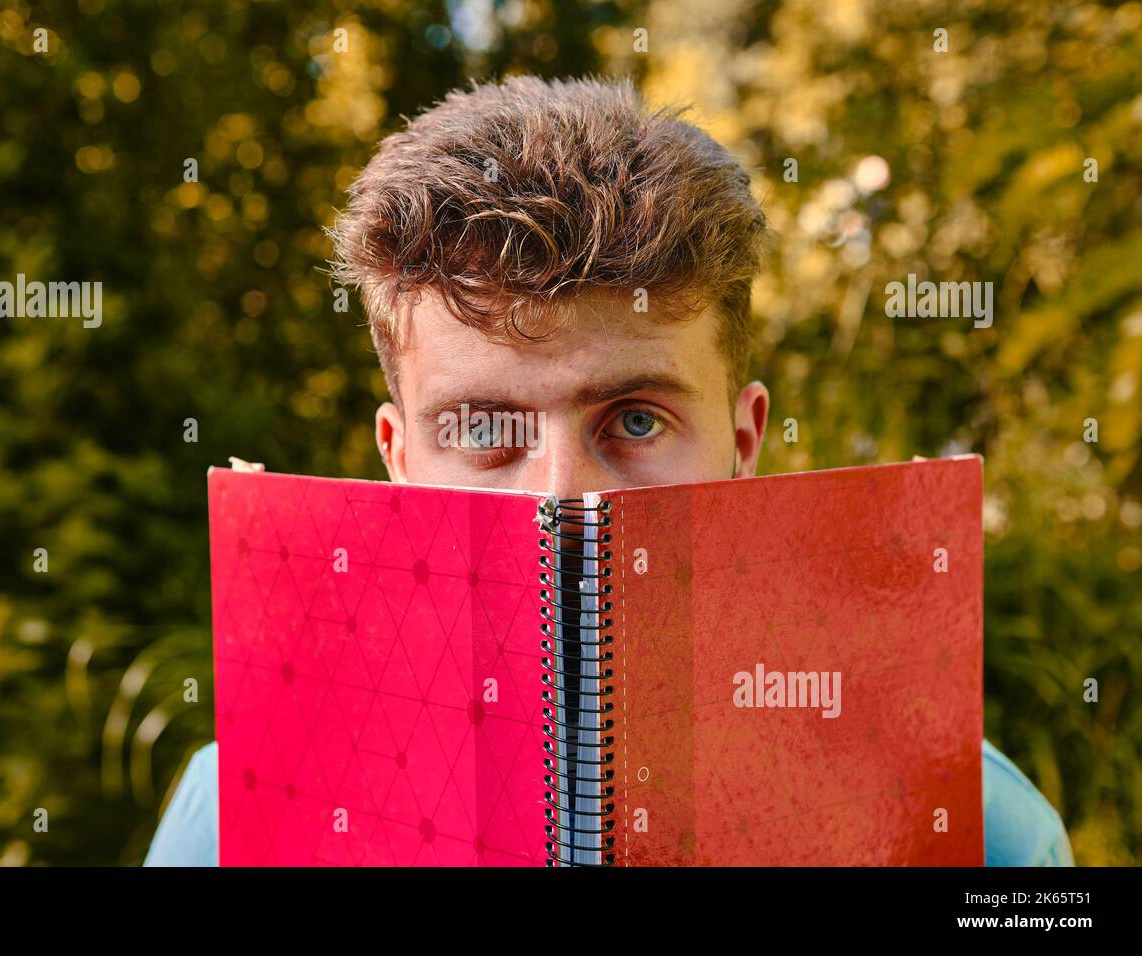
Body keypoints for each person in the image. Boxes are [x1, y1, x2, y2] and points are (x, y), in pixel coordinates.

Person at [145, 75, 1072, 866]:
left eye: (636, 419)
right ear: (397, 460)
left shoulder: (966, 824)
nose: (562, 499)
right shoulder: (232, 820)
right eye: (482, 427)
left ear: (743, 443)